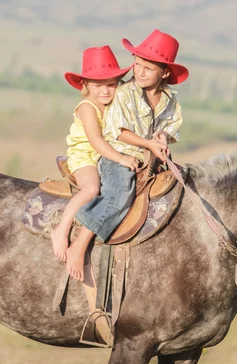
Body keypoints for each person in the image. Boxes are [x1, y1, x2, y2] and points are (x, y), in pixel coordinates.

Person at [66, 29, 189, 281]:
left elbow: (169, 128)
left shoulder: (170, 100)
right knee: (120, 191)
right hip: (117, 155)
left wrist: (162, 139)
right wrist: (147, 143)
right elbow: (118, 132)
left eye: (147, 68)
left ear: (164, 72)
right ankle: (81, 242)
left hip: (149, 157)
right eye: (137, 65)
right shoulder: (124, 93)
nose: (139, 72)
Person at [51, 45, 137, 263]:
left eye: (111, 84)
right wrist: (121, 158)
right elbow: (95, 140)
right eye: (98, 85)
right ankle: (62, 229)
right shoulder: (87, 107)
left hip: (103, 155)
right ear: (85, 85)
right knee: (92, 188)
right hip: (85, 155)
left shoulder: (114, 104)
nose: (105, 91)